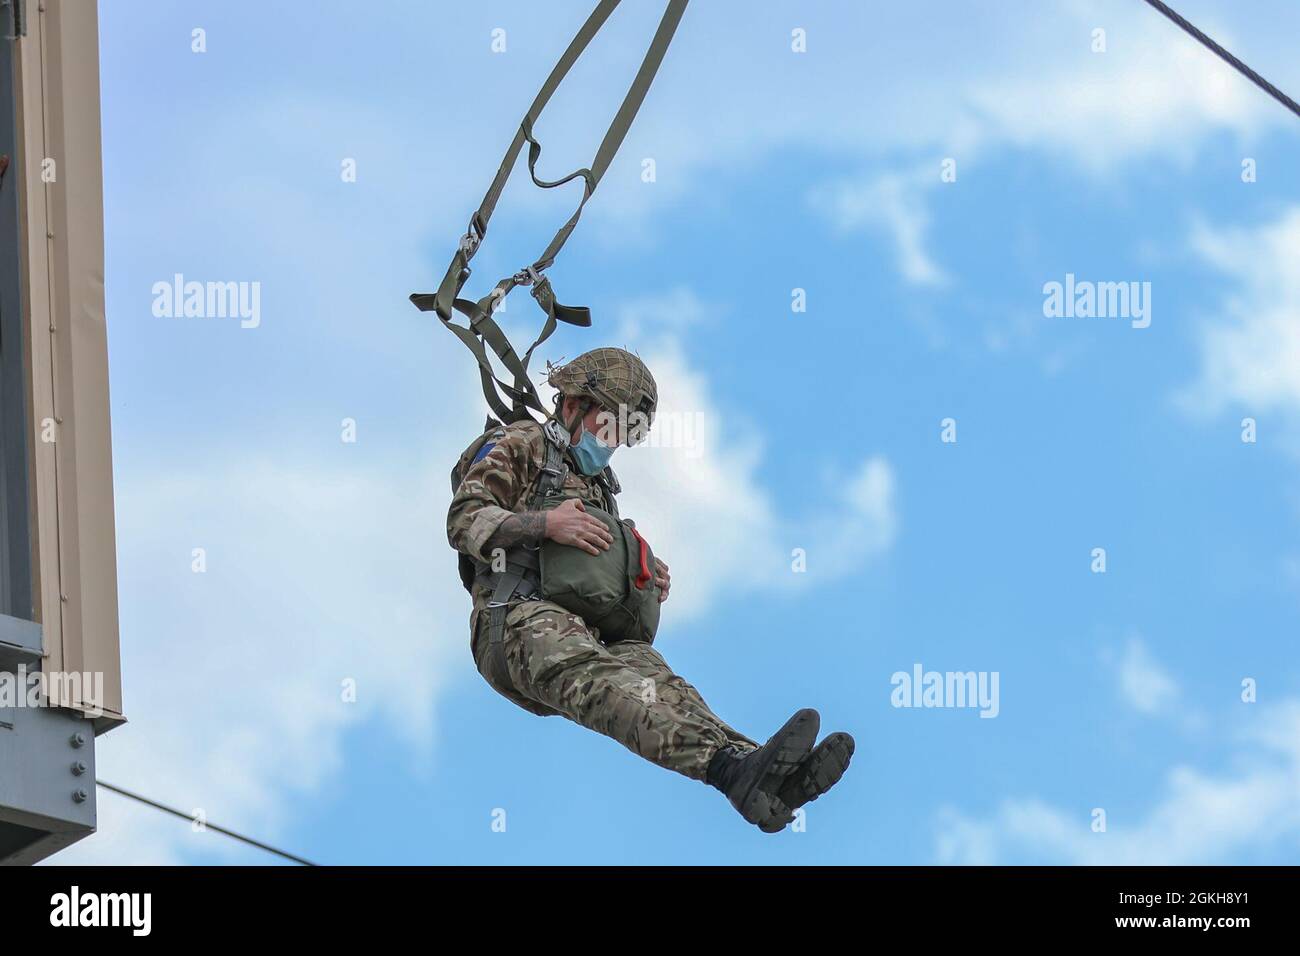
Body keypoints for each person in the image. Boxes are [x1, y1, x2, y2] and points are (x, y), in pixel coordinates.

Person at [447, 347, 853, 832]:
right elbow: (464, 518)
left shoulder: (596, 486)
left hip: (589, 628)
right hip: (516, 619)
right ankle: (730, 771)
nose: (613, 443)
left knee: (668, 690)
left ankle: (758, 770)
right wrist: (544, 524)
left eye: (624, 435)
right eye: (609, 426)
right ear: (574, 404)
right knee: (609, 687)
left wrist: (639, 572)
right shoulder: (523, 442)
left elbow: (583, 567)